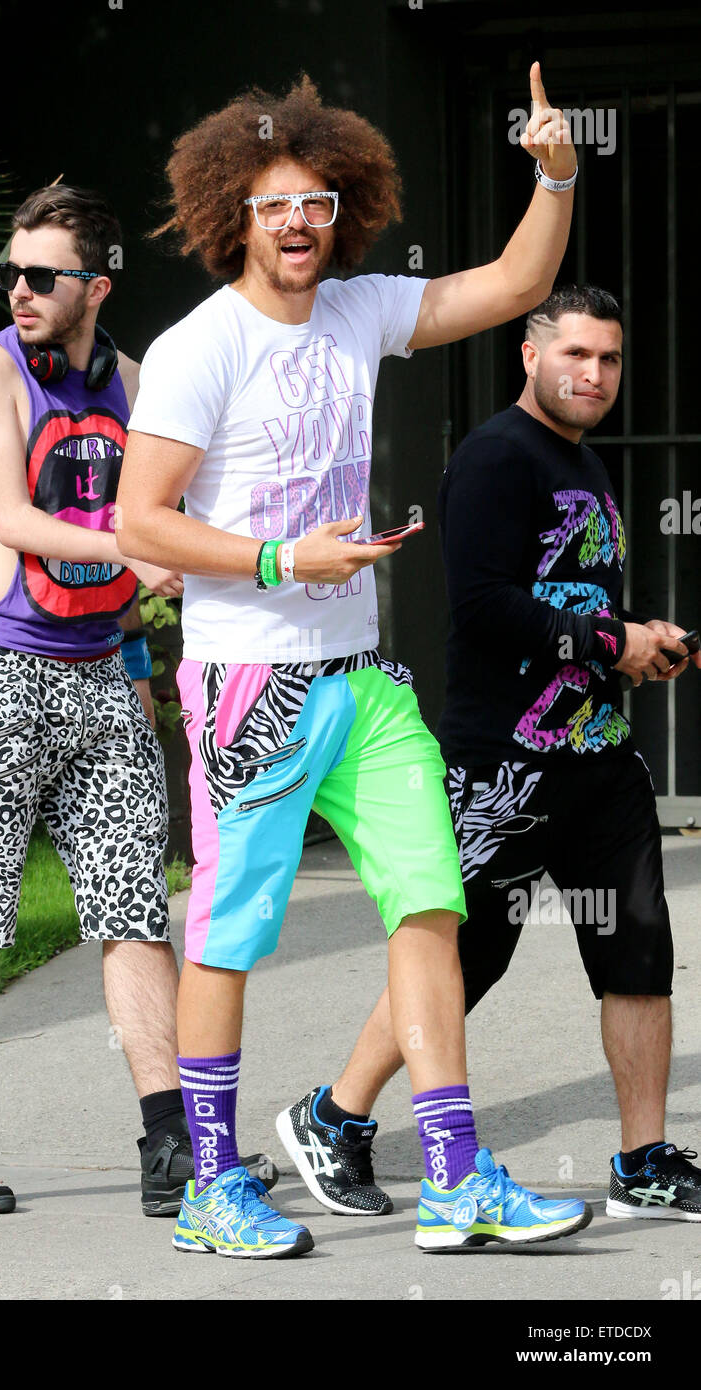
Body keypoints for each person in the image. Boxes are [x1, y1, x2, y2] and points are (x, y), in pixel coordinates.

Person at [116, 69, 595, 1256]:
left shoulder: (362, 309)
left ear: (344, 211)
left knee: (434, 900)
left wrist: (557, 170)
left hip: (362, 681)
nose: (296, 223)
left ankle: (451, 1175)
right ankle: (212, 1185)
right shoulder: (197, 349)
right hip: (248, 685)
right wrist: (284, 560)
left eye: (316, 202)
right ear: (236, 214)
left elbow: (519, 284)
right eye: (274, 205)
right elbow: (139, 523)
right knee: (229, 933)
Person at [0, 185, 273, 1219]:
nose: (19, 290)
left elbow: (177, 512)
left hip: (101, 672)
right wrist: (143, 549)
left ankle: (173, 1144)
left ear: (96, 286)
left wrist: (147, 650)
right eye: (11, 272)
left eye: (41, 276)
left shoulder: (136, 384)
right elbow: (13, 519)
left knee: (135, 909)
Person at [284, 284, 701, 1225]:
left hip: (599, 760)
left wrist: (637, 646)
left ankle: (642, 1157)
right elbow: (483, 608)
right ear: (528, 353)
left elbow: (571, 609)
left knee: (638, 952)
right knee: (465, 958)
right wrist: (610, 642)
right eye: (575, 356)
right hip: (501, 770)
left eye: (609, 359)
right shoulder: (492, 458)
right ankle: (333, 1115)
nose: (593, 375)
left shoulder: (584, 463)